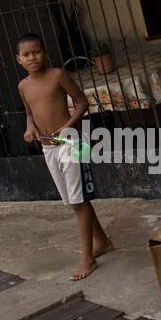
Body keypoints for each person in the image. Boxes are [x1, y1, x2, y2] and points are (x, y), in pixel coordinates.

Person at [16, 33, 112, 281]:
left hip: (72, 143)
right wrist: (30, 128)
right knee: (73, 200)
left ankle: (87, 258)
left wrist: (69, 124)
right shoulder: (23, 86)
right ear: (19, 59)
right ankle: (102, 241)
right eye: (26, 54)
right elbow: (29, 113)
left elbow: (81, 103)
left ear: (45, 52)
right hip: (48, 147)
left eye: (36, 51)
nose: (32, 57)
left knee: (78, 200)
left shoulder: (58, 75)